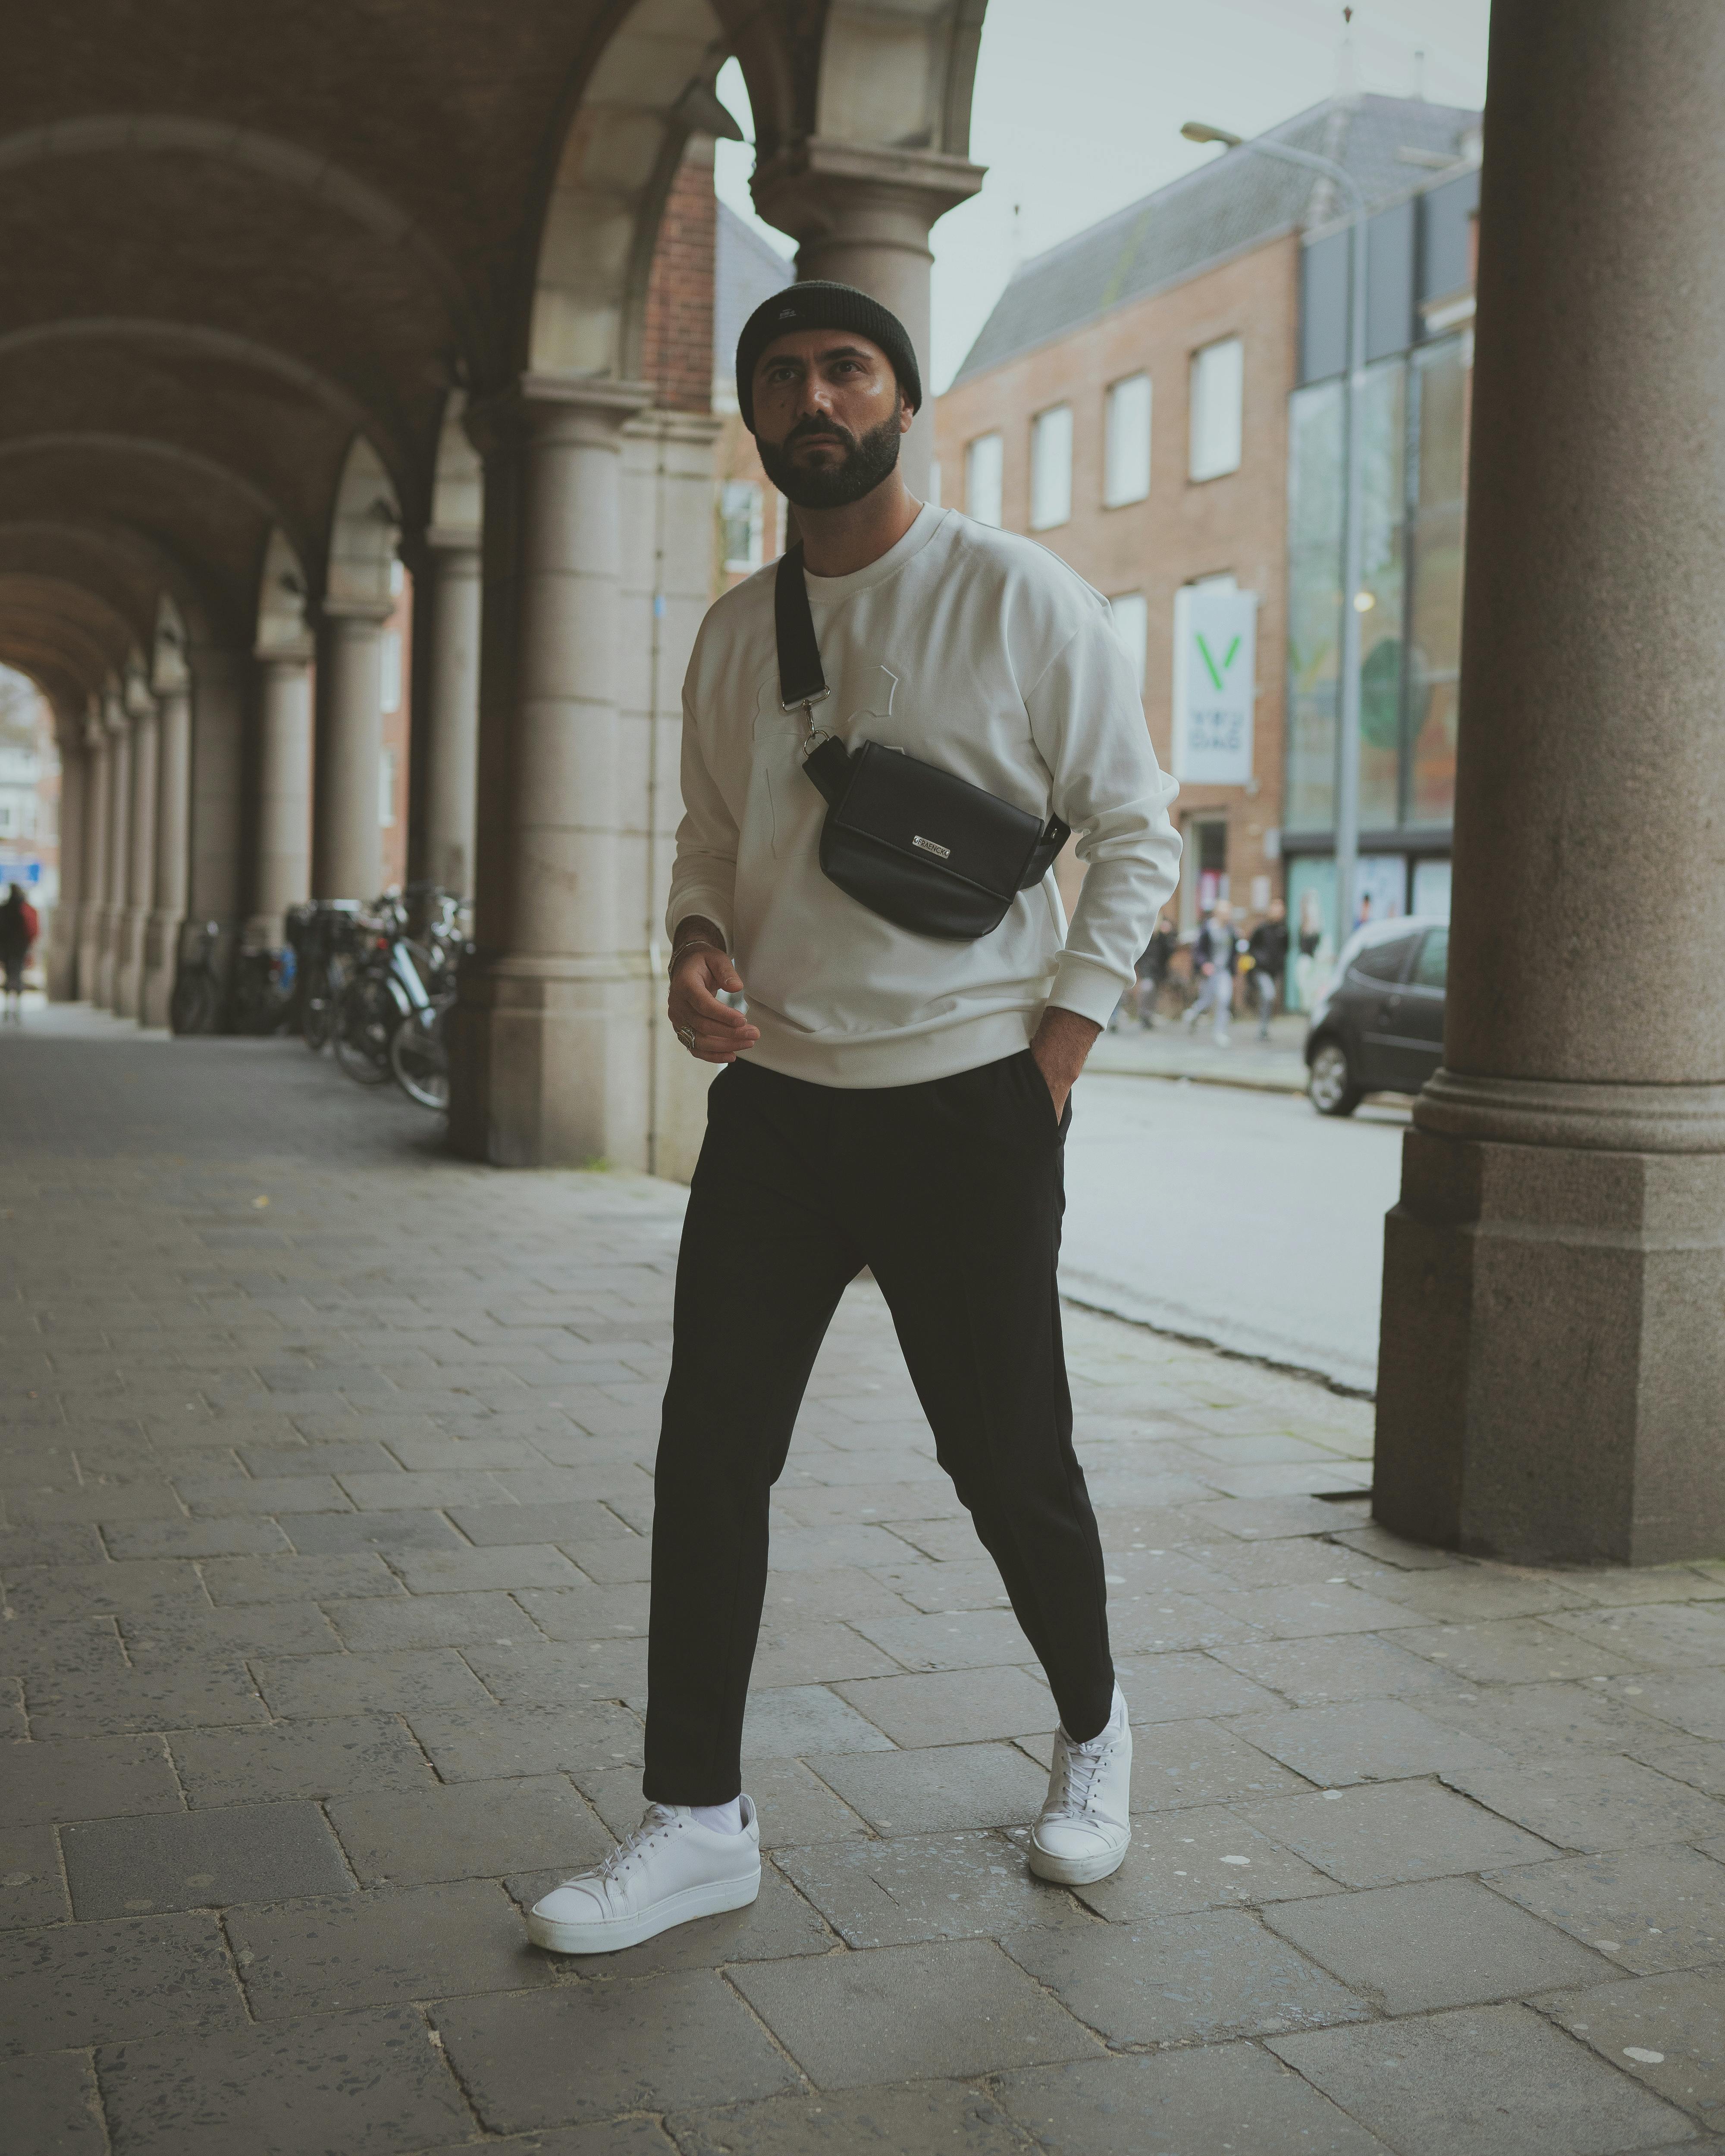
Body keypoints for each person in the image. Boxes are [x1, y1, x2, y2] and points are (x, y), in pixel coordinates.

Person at [526, 281, 1181, 1958]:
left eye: (847, 368)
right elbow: (709, 837)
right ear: (754, 414)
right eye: (783, 375)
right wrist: (693, 945)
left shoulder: (1014, 593)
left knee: (1005, 1454)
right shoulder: (736, 634)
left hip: (970, 1105)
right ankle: (697, 1819)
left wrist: (1053, 1059)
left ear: (900, 397)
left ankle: (1095, 1727)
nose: (814, 396)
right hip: (778, 1111)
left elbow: (1136, 830)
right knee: (709, 1453)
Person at [1182, 899, 1237, 1045]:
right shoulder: (1208, 929)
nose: (1227, 915)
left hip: (1224, 971)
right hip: (1210, 972)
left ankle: (1220, 1033)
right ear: (1217, 913)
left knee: (1224, 1000)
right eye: (1225, 913)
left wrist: (1234, 973)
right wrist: (1204, 964)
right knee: (1206, 1001)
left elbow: (1233, 953)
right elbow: (1199, 950)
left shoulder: (1231, 930)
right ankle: (1194, 1015)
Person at [1247, 898, 1289, 1040]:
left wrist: (1279, 965)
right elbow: (1252, 947)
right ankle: (1263, 1030)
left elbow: (1285, 949)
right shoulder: (1262, 929)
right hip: (1261, 970)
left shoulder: (1284, 931)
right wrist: (1260, 959)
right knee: (1269, 994)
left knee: (1268, 997)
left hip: (1274, 971)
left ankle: (1264, 1030)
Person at [0, 883, 37, 1021]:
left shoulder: (4, 909)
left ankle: (7, 1007)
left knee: (9, 975)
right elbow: (32, 930)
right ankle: (17, 1008)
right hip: (20, 948)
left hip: (6, 949)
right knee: (18, 975)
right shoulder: (25, 909)